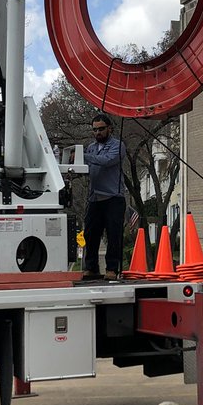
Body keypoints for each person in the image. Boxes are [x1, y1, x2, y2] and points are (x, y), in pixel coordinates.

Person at [82, 113, 126, 280]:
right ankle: (91, 267)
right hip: (95, 197)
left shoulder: (118, 145)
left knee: (113, 234)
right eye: (94, 130)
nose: (97, 132)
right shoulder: (91, 147)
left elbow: (108, 160)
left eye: (101, 129)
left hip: (113, 197)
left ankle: (112, 269)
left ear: (109, 129)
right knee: (91, 233)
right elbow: (86, 166)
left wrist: (84, 156)